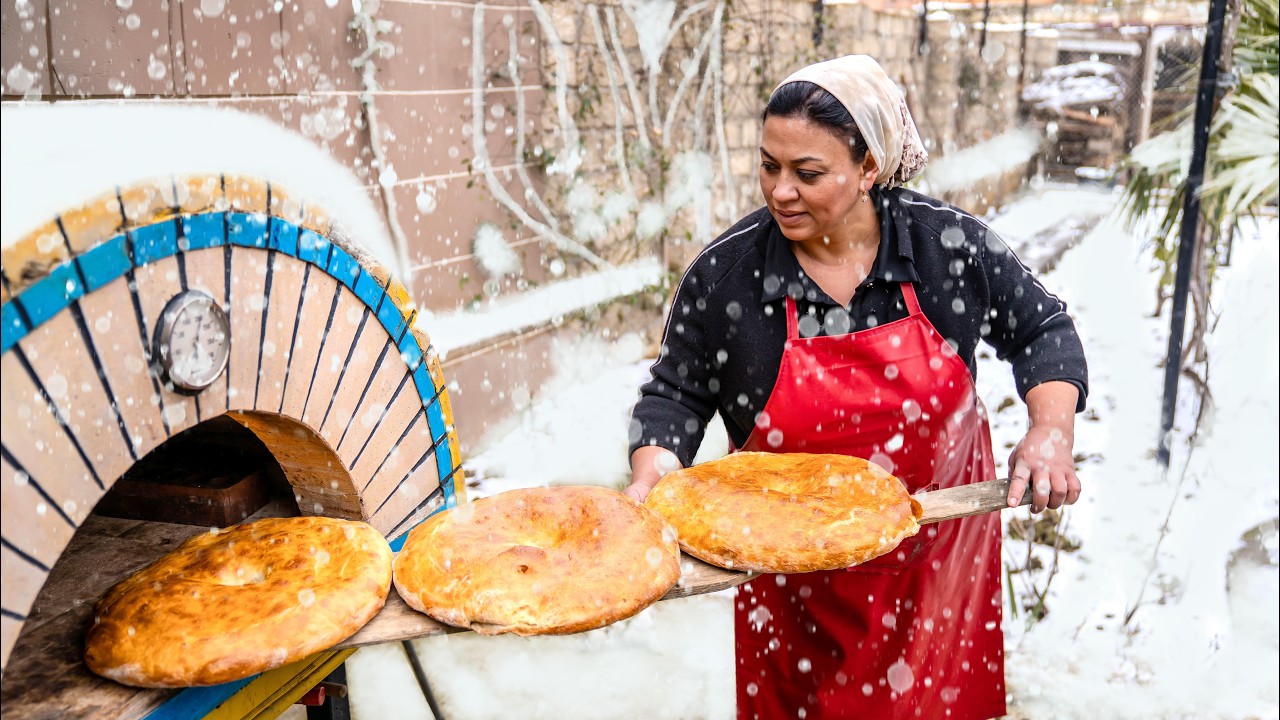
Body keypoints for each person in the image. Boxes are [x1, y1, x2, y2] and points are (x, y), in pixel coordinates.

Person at [624, 55, 1087, 719]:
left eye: (808, 173)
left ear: (869, 168)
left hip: (934, 569)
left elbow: (1042, 328)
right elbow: (675, 395)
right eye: (769, 165)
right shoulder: (728, 277)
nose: (781, 191)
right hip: (794, 590)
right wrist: (653, 472)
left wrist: (1050, 431)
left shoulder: (942, 246)